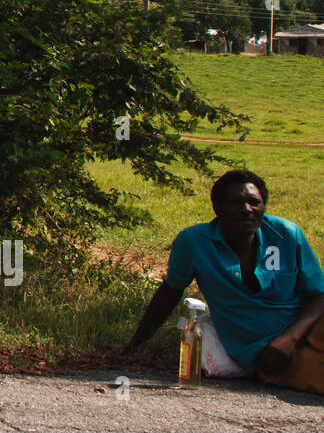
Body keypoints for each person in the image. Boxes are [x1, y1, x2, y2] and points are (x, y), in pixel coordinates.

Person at [123, 169, 324, 394]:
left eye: (254, 202)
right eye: (236, 202)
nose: (246, 209)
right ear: (217, 209)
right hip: (264, 351)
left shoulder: (287, 234)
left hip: (307, 328)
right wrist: (133, 346)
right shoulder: (194, 242)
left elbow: (319, 294)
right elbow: (169, 293)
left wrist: (290, 337)